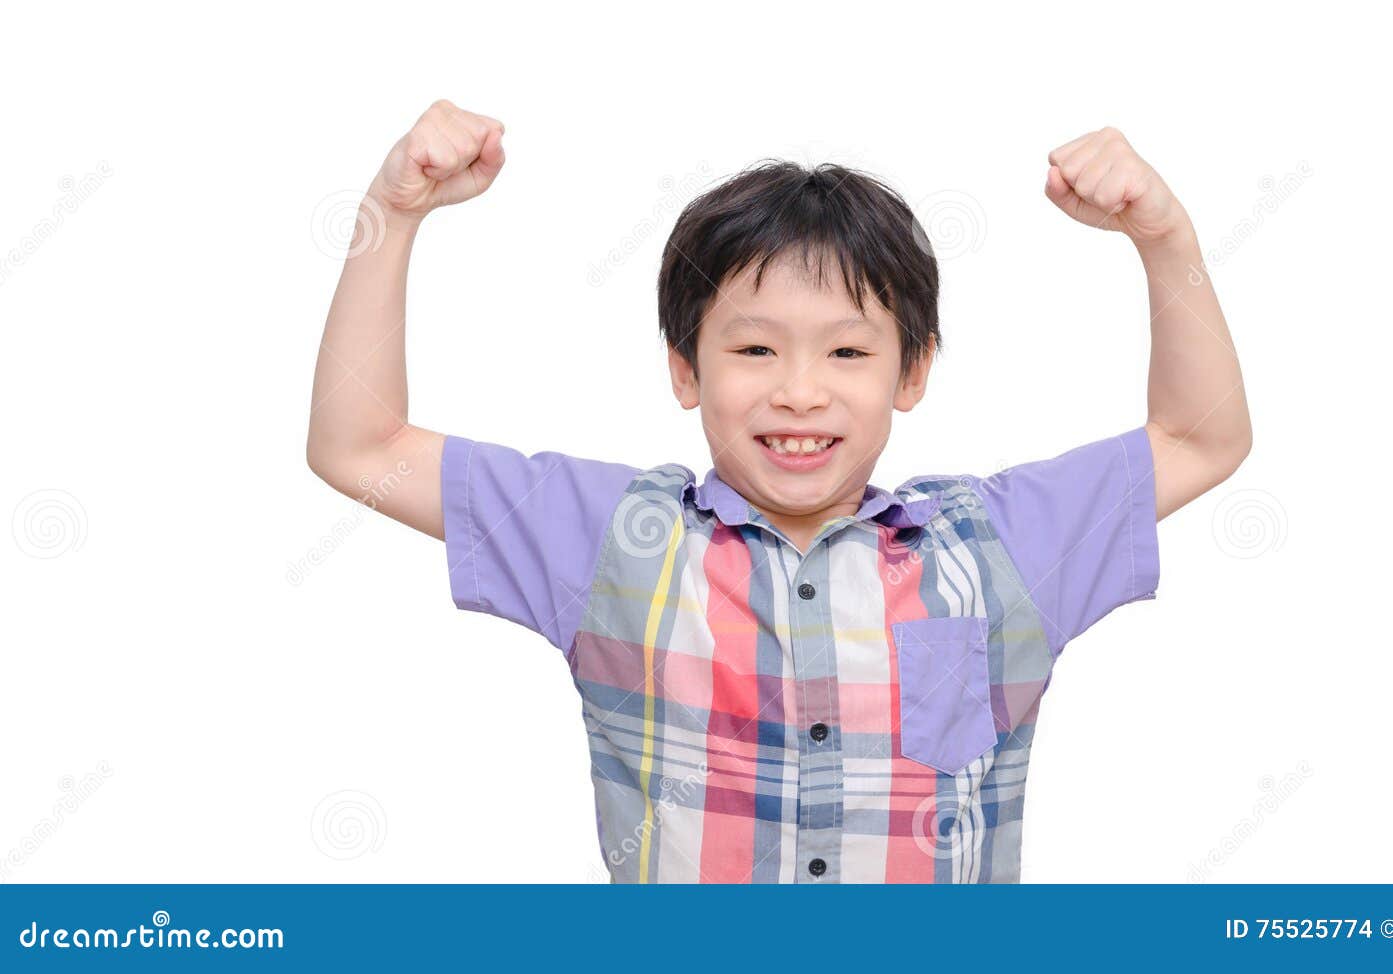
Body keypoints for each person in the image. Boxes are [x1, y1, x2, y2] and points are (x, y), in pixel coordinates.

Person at [306, 99, 1253, 882]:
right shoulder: (609, 539)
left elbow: (1201, 437)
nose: (800, 390)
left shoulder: (998, 545)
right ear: (686, 369)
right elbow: (360, 446)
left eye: (847, 352)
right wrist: (393, 213)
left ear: (913, 371)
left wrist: (1162, 237)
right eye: (755, 348)